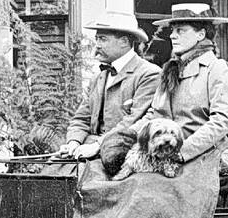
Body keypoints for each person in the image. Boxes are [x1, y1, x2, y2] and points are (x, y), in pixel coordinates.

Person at [123, 2, 228, 167]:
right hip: (167, 152)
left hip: (208, 156)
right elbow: (155, 115)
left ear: (201, 34)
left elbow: (221, 122)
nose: (172, 36)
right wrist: (127, 135)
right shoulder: (171, 70)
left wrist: (182, 151)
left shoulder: (217, 69)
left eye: (180, 31)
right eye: (172, 31)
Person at [58, 11, 162, 161]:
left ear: (124, 42)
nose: (97, 45)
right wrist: (73, 142)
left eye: (103, 39)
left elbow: (133, 121)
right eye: (97, 39)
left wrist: (98, 145)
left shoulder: (148, 74)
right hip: (90, 149)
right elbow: (82, 118)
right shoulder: (98, 77)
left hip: (125, 152)